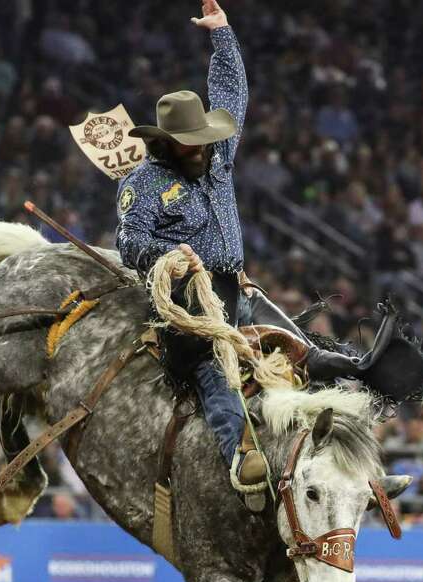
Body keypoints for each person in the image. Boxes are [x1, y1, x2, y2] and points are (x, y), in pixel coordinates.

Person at [115, 0, 395, 509]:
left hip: (235, 287)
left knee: (304, 353)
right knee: (215, 371)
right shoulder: (145, 183)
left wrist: (223, 36)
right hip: (188, 303)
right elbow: (129, 242)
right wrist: (173, 253)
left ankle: (359, 461)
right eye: (191, 143)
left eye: (204, 140)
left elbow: (232, 95)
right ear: (168, 145)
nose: (202, 149)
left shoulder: (217, 157)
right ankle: (240, 457)